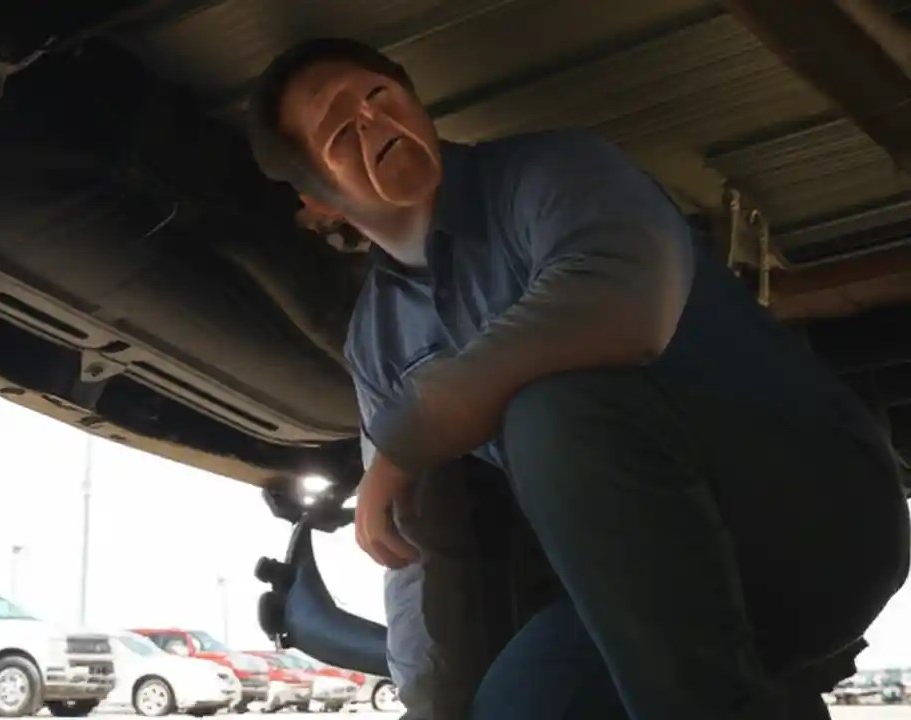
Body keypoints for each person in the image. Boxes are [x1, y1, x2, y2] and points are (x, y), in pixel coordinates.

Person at [246, 38, 910, 719]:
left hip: (813, 515)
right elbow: (407, 558)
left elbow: (619, 302)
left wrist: (410, 436)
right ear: (318, 202)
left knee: (553, 405)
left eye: (379, 96)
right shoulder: (379, 342)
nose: (371, 122)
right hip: (645, 583)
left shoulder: (553, 172)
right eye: (337, 130)